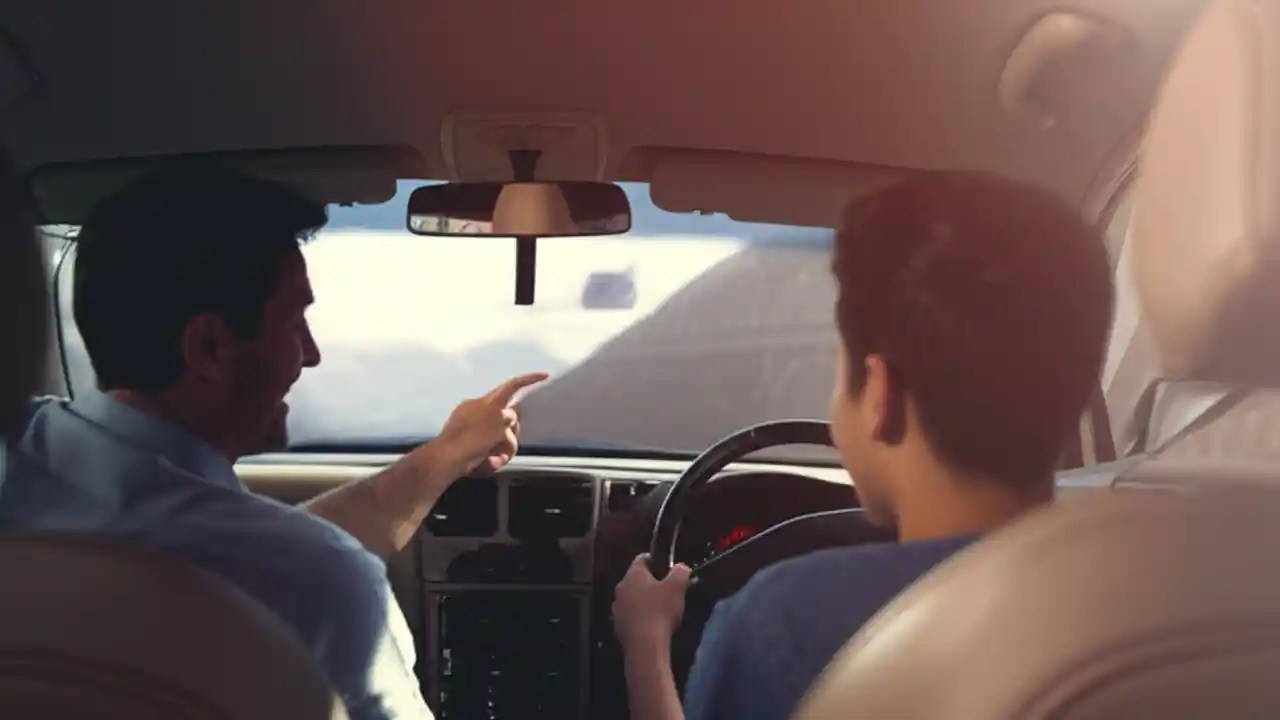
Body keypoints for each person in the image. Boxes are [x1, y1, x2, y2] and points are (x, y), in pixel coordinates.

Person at [0, 168, 547, 720]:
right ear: (210, 347)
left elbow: (241, 544)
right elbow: (276, 558)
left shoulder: (16, 457)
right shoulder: (318, 584)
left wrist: (447, 454)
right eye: (295, 322)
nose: (310, 354)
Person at [611, 171, 1114, 720]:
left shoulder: (789, 621)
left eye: (839, 370)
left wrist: (646, 640)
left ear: (879, 393)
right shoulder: (1152, 590)